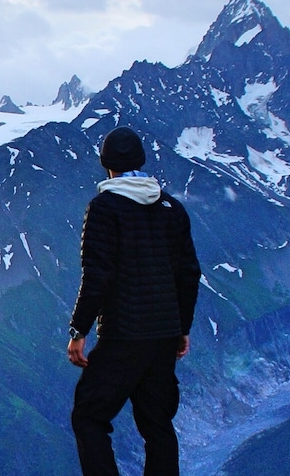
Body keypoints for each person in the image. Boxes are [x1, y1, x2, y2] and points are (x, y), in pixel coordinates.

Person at [67, 126, 202, 476]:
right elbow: (189, 273)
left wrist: (78, 330)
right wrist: (181, 328)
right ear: (140, 162)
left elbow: (98, 275)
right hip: (163, 335)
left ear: (107, 165)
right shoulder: (171, 207)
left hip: (123, 334)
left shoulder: (104, 208)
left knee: (89, 416)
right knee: (157, 423)